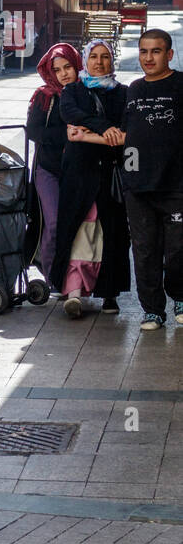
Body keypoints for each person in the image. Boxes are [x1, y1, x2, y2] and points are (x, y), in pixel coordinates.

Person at [50, 38, 131, 318]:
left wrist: (88, 134)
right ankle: (73, 292)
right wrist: (106, 130)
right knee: (78, 230)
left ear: (112, 60)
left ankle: (110, 294)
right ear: (85, 60)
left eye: (105, 56)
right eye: (93, 56)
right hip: (79, 173)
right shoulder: (72, 91)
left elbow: (125, 133)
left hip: (110, 174)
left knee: (113, 233)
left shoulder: (123, 92)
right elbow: (71, 115)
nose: (99, 62)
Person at [118, 29, 183, 330]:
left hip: (176, 185)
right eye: (143, 51)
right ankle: (152, 310)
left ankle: (181, 299)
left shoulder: (181, 84)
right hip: (138, 186)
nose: (148, 57)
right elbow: (126, 133)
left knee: (178, 250)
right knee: (144, 252)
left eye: (155, 51)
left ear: (169, 54)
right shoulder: (133, 89)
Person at [24, 43, 81, 282]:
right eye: (57, 70)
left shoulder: (86, 93)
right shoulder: (44, 96)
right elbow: (33, 132)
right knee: (54, 223)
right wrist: (66, 135)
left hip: (78, 171)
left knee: (78, 226)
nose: (64, 74)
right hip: (48, 169)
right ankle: (52, 278)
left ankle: (75, 279)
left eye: (68, 67)